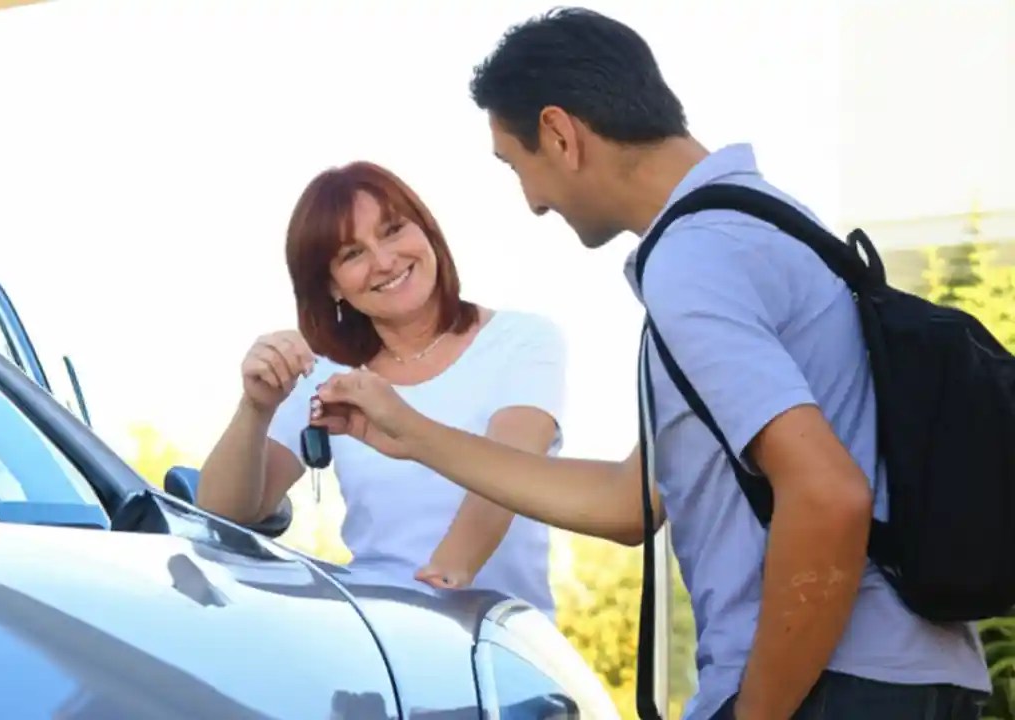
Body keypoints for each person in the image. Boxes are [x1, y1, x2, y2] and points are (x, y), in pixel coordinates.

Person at [311, 8, 991, 720]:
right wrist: (412, 432)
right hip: (904, 677)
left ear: (560, 135)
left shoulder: (693, 260)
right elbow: (629, 501)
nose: (535, 202)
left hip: (839, 687)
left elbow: (829, 496)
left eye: (518, 167)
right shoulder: (766, 222)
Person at [195, 160, 567, 617]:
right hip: (380, 633)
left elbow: (511, 471)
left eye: (392, 230)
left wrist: (446, 577)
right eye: (352, 254)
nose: (384, 261)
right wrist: (255, 408)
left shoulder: (522, 340)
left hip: (501, 644)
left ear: (426, 231)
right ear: (331, 286)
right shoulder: (321, 373)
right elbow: (221, 515)